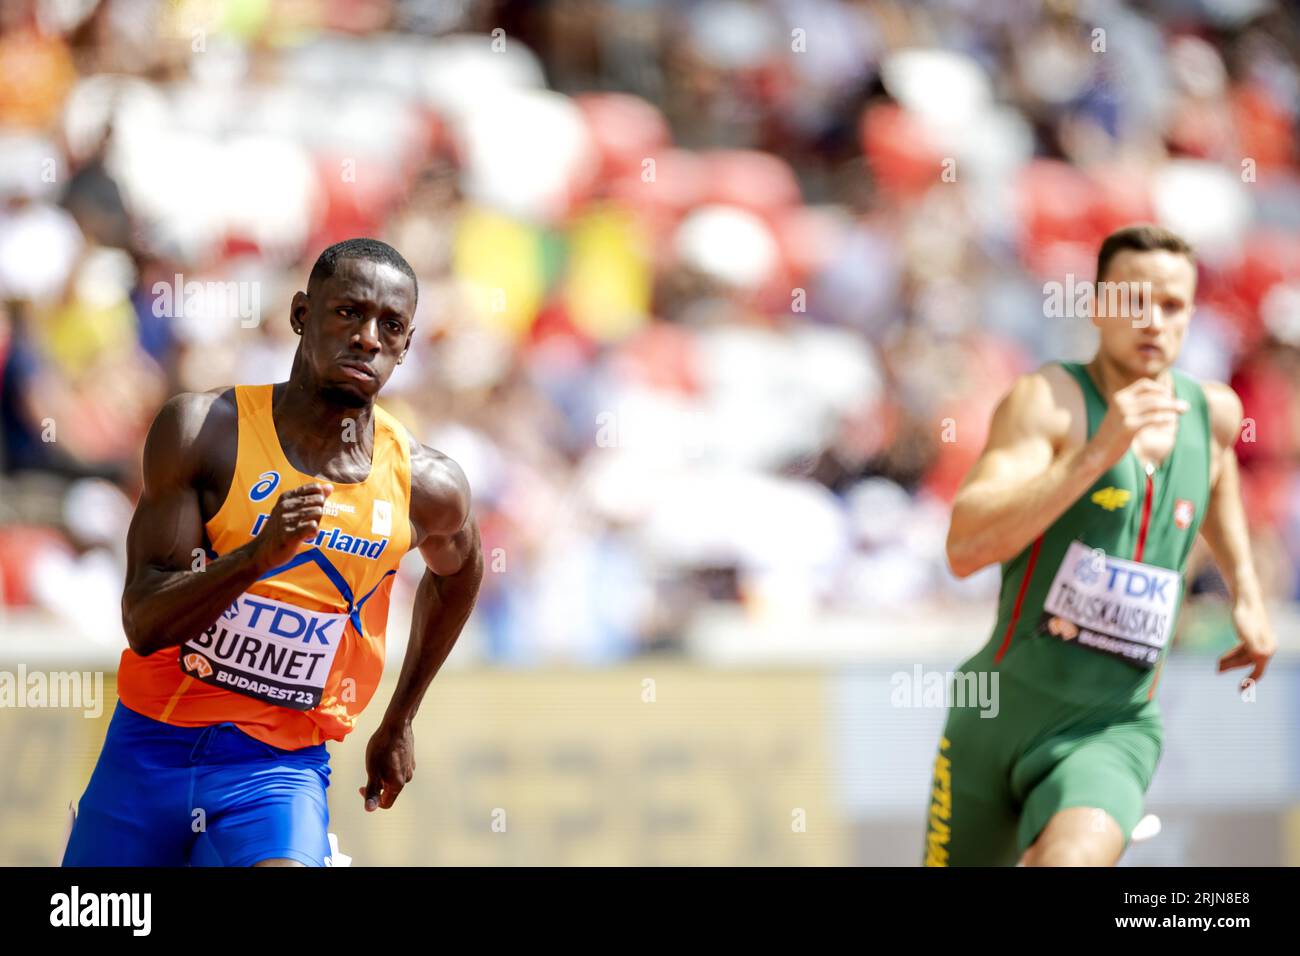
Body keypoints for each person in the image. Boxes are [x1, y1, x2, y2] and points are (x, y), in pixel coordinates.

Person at [62, 237, 483, 866]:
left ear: (405, 347)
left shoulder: (425, 486)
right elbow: (144, 624)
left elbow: (460, 573)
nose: (368, 337)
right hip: (148, 747)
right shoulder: (204, 433)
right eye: (348, 312)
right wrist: (256, 558)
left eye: (389, 326)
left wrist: (399, 718)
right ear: (300, 315)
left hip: (276, 768)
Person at [923, 224, 1276, 867]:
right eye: (1132, 299)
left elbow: (1216, 473)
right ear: (1095, 306)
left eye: (1171, 305)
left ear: (1192, 315)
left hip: (1110, 727)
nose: (1152, 321)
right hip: (998, 714)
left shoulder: (1211, 412)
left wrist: (1246, 594)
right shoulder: (1047, 402)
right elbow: (966, 546)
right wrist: (1095, 456)